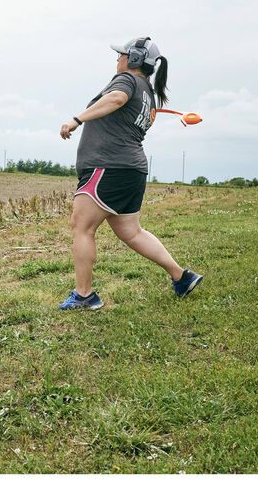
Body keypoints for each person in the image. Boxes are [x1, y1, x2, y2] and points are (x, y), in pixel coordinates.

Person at [57, 37, 203, 309]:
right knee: (131, 232)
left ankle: (84, 296)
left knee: (82, 227)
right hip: (131, 169)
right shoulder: (148, 92)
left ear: (134, 59)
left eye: (121, 54)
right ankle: (181, 277)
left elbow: (116, 98)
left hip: (107, 166)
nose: (117, 59)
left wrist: (76, 119)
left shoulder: (127, 81)